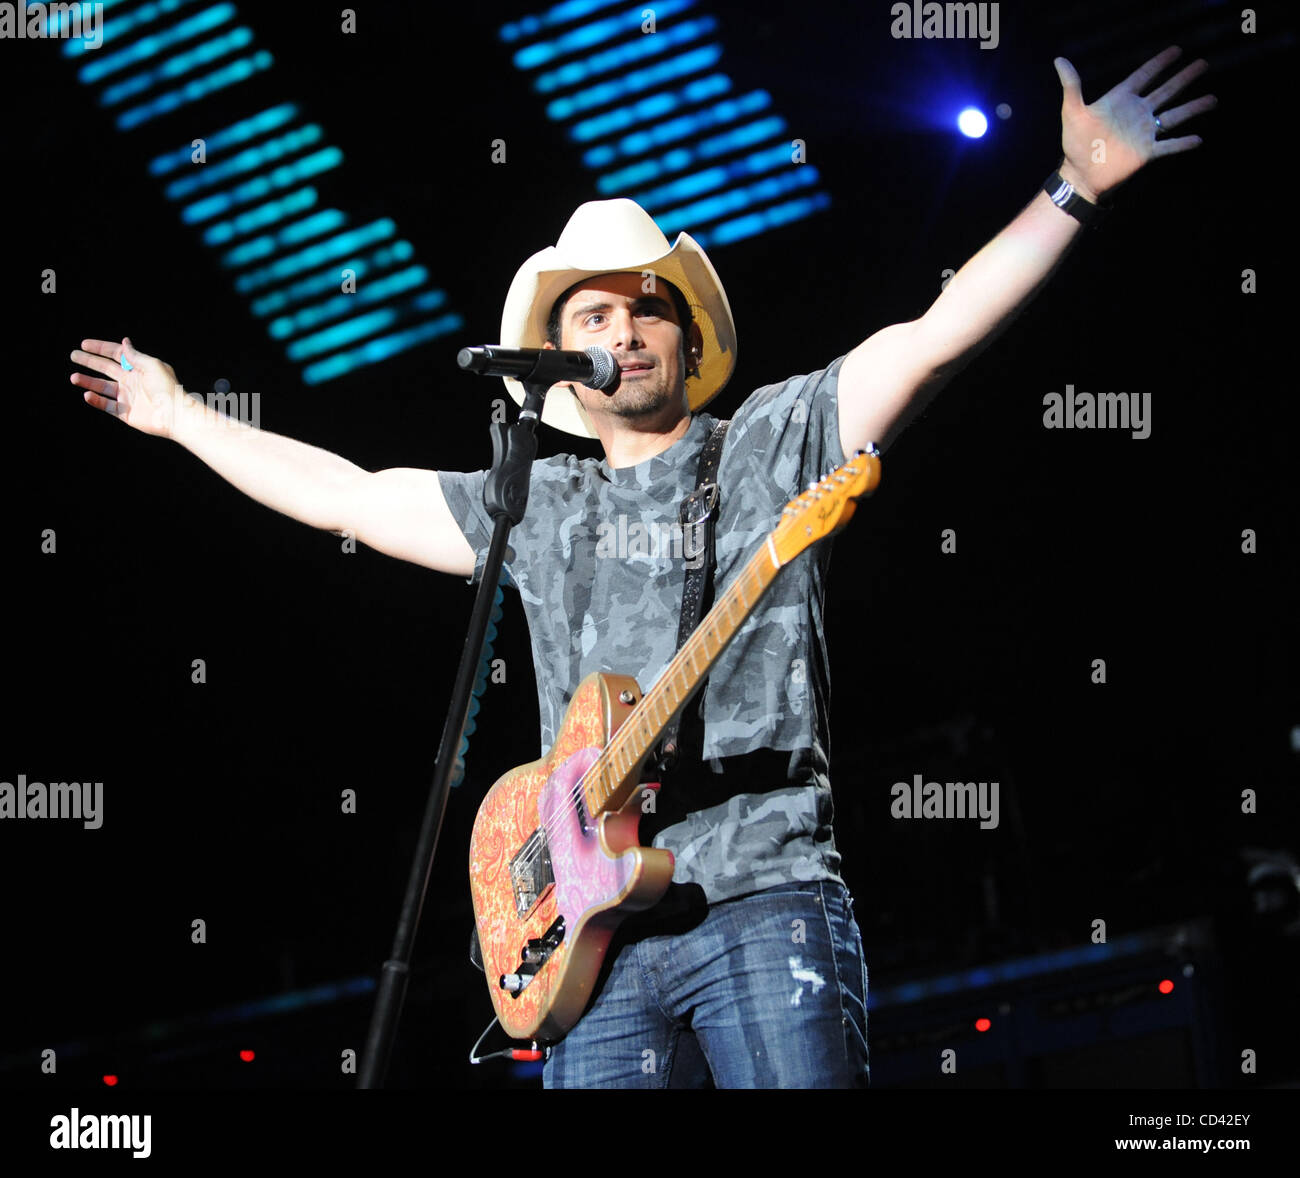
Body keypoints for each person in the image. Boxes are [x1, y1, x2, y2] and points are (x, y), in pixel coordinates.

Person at [69, 47, 1213, 1088]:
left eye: (644, 308)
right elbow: (354, 498)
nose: (621, 328)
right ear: (565, 359)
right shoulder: (535, 494)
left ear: (683, 338)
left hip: (759, 896)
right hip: (582, 938)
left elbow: (931, 335)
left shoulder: (772, 440)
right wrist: (183, 419)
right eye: (595, 313)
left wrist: (1070, 190)